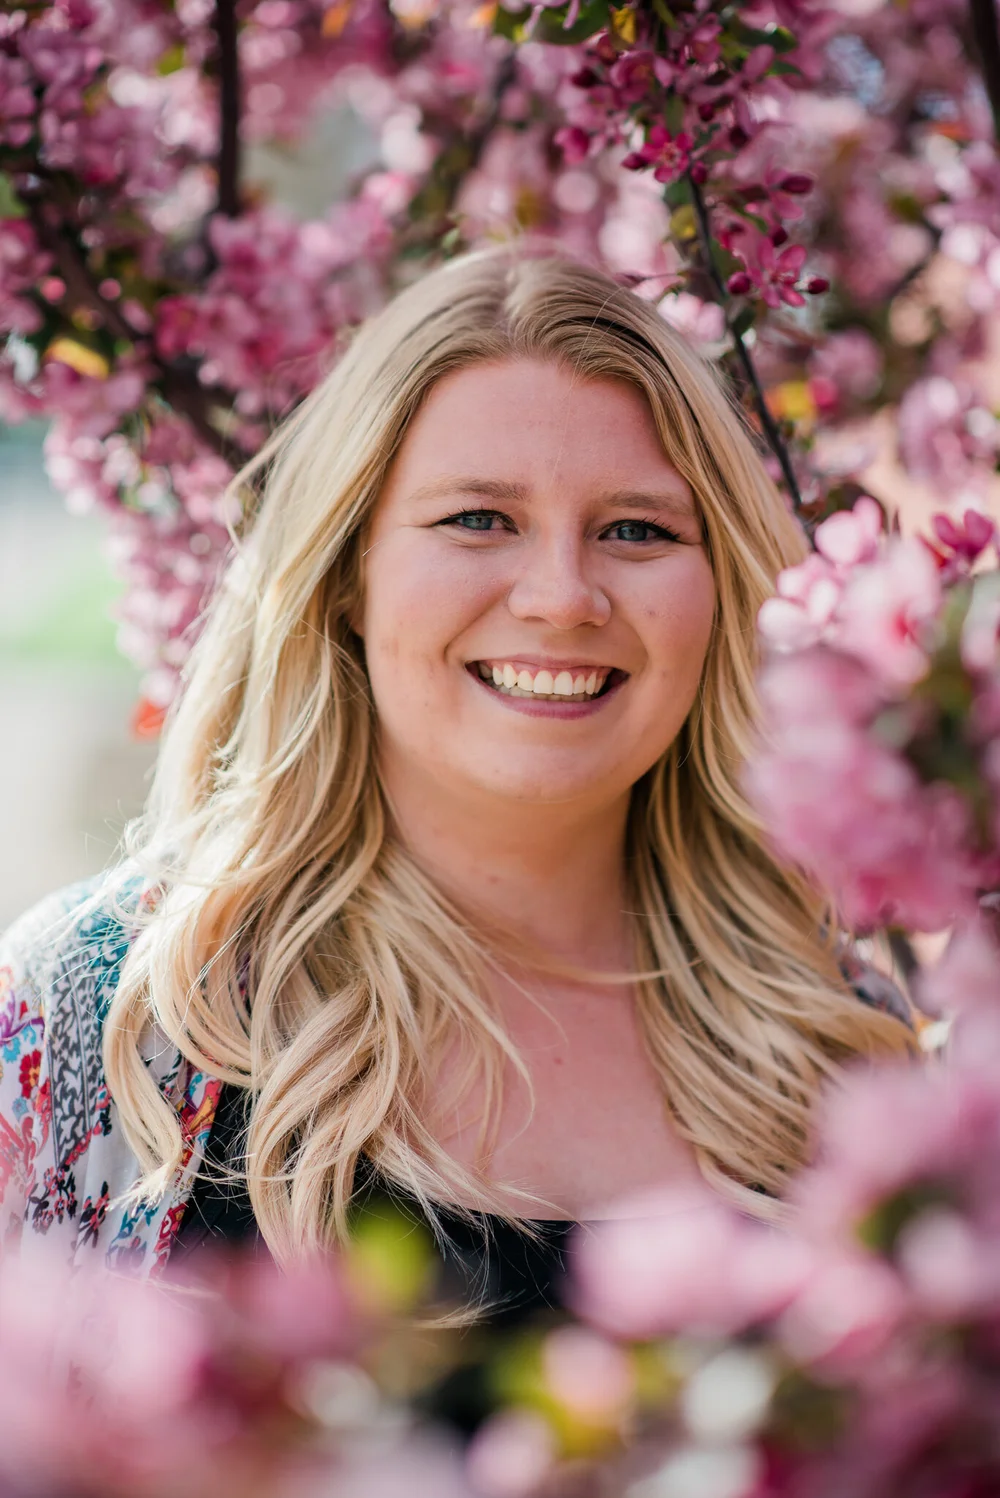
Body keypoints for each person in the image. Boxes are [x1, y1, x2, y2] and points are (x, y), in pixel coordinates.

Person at [0, 242, 914, 1310]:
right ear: (347, 574)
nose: (562, 596)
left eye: (637, 529)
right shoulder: (106, 1014)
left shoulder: (835, 1037)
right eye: (478, 518)